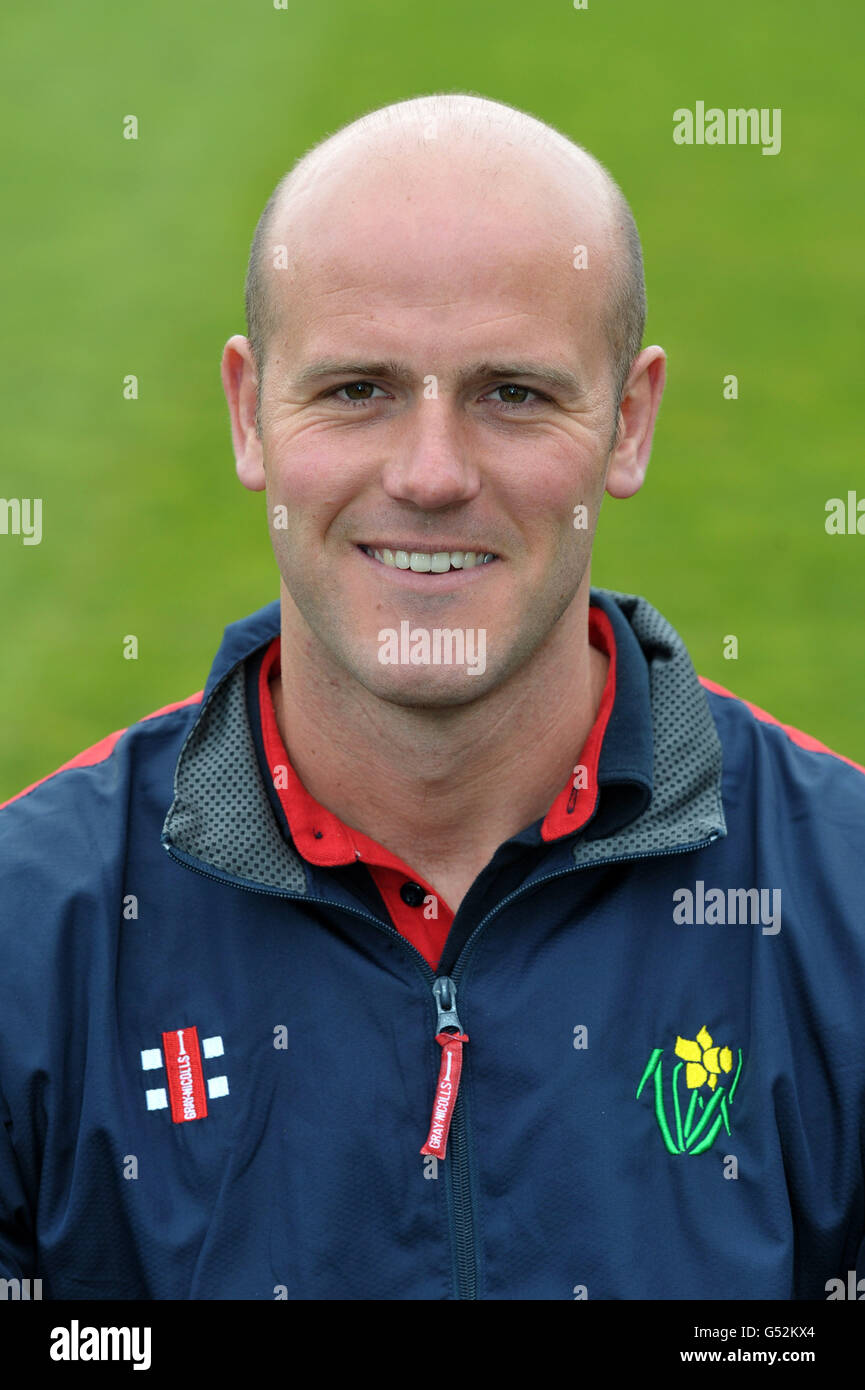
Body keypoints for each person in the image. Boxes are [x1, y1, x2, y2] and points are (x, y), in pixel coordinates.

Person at [1, 92, 863, 1302]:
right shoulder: (30, 934)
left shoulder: (840, 898)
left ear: (629, 421)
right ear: (250, 413)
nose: (431, 474)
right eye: (356, 389)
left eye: (513, 393)